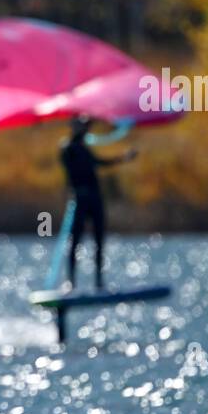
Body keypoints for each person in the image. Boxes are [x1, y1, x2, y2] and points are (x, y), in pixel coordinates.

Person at [59, 115, 137, 291]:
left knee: (99, 240)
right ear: (72, 126)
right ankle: (71, 281)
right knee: (75, 240)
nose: (85, 129)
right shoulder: (68, 149)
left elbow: (101, 162)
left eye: (85, 126)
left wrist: (123, 158)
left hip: (95, 199)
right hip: (79, 200)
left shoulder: (85, 150)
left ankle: (99, 281)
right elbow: (71, 158)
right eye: (81, 126)